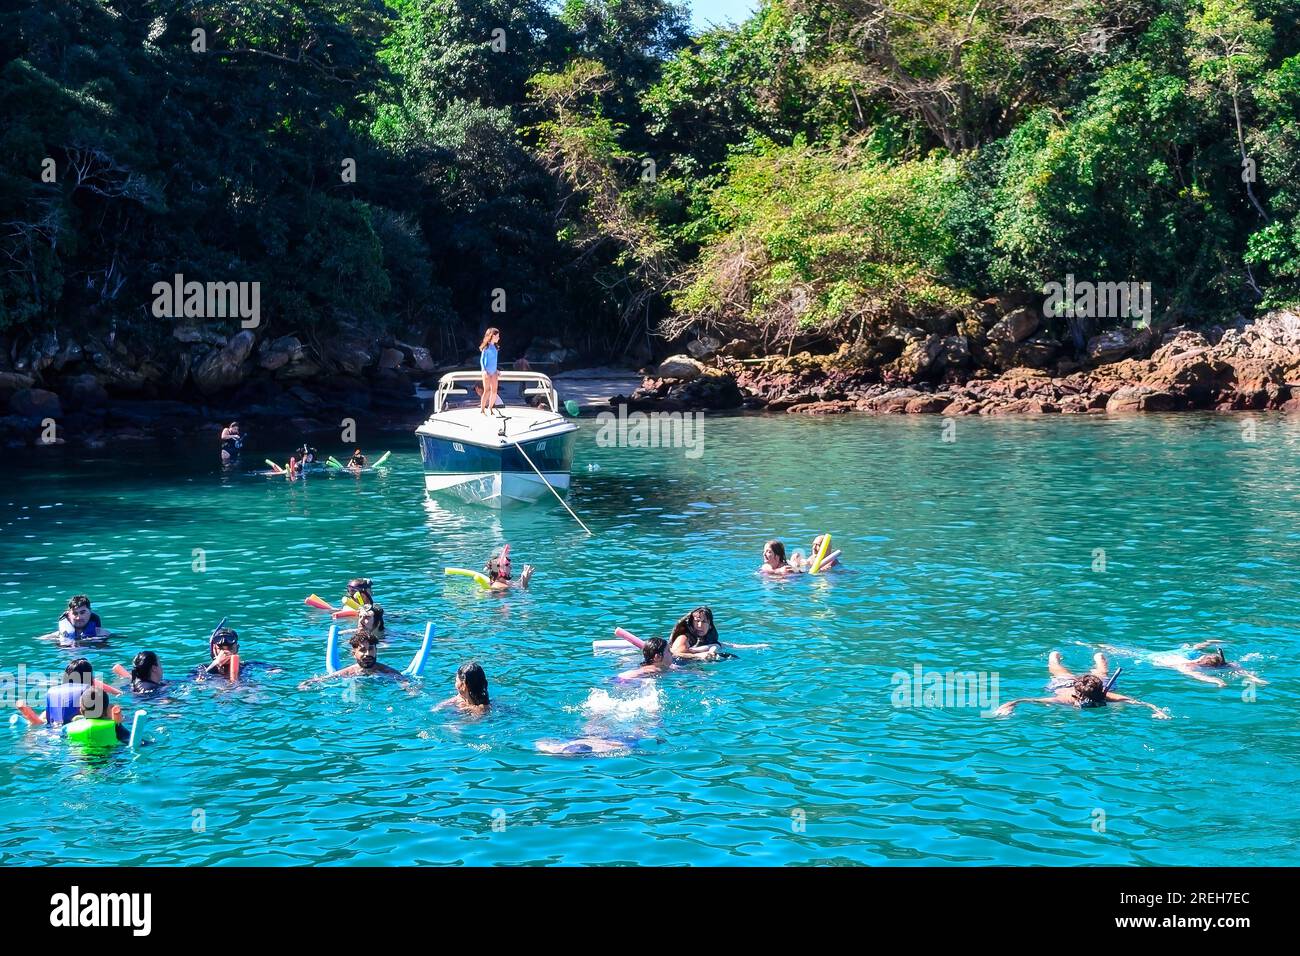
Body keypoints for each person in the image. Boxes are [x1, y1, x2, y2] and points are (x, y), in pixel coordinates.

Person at [996, 651, 1170, 719]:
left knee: (1101, 674)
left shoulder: (1107, 696)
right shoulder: (1067, 699)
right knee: (1058, 671)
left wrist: (1157, 711)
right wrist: (1010, 705)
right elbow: (1028, 700)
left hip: (1095, 684)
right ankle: (1053, 657)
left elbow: (1138, 702)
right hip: (1065, 685)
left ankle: (1099, 658)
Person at [299, 632, 403, 687]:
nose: (367, 653)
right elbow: (324, 679)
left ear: (376, 651)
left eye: (371, 649)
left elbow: (406, 683)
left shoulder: (387, 672)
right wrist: (307, 683)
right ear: (354, 654)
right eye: (362, 650)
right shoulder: (349, 672)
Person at [1151, 642, 1267, 686]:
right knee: (1190, 650)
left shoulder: (1224, 664)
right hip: (1164, 657)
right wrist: (1217, 681)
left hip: (1189, 655)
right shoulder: (1187, 666)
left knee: (1192, 650)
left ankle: (1210, 642)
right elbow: (1200, 676)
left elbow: (1241, 670)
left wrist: (1254, 678)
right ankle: (1208, 642)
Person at [39, 658, 98, 726]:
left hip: (52, 730)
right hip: (75, 730)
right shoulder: (89, 691)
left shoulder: (53, 691)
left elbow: (43, 719)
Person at [668, 606, 733, 661]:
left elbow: (724, 645)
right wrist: (698, 656)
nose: (700, 625)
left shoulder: (707, 639)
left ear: (710, 626)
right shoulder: (683, 638)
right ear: (691, 623)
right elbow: (674, 653)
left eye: (704, 622)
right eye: (697, 621)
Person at [479, 327, 501, 415]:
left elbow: (494, 360)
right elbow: (482, 360)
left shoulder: (496, 347)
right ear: (492, 336)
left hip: (494, 372)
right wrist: (484, 370)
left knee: (494, 391)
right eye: (497, 336)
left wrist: (496, 370)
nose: (498, 338)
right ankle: (482, 409)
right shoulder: (486, 347)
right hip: (486, 372)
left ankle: (491, 407)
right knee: (487, 390)